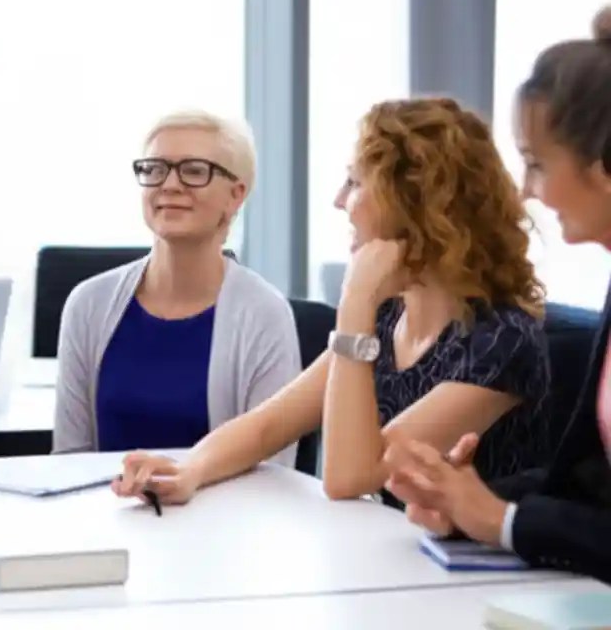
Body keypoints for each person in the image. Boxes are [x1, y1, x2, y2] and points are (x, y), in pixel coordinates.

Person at [115, 97, 553, 506]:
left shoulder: (502, 341)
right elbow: (266, 426)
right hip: (395, 560)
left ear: (412, 201)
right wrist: (188, 470)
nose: (340, 201)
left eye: (355, 181)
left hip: (479, 579)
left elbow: (350, 478)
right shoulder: (390, 317)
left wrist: (355, 302)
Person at [385, 7, 611, 582]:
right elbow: (588, 485)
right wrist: (461, 498)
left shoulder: (500, 333)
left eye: (537, 165)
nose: (528, 192)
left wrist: (501, 519)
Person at [52, 111, 301, 460]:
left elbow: (273, 471)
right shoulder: (88, 304)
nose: (169, 184)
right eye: (155, 169)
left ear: (236, 194)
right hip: (104, 512)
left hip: (228, 514)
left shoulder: (264, 314)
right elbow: (67, 461)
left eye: (195, 171)